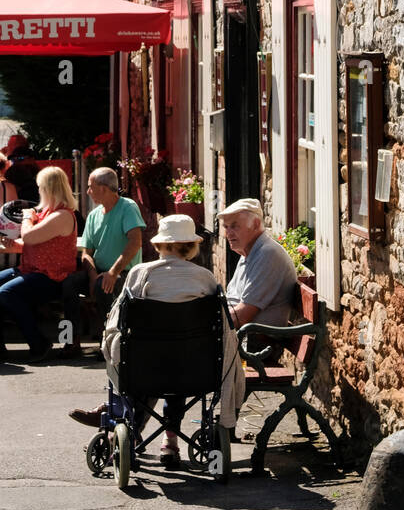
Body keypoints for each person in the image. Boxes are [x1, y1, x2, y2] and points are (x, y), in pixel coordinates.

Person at [68, 215, 246, 465]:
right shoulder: (205, 278)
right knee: (180, 356)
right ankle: (170, 440)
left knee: (142, 356)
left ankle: (122, 424)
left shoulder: (140, 275)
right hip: (194, 368)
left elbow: (118, 323)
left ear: (160, 245)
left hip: (146, 367)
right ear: (191, 246)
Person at [0, 166, 78, 363]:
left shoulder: (62, 215)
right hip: (32, 269)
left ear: (49, 189)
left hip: (52, 276)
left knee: (7, 293)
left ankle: (38, 342)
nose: (38, 191)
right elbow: (34, 243)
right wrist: (15, 244)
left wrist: (26, 218)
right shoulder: (48, 212)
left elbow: (30, 236)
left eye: (41, 187)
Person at [72, 168, 146, 341]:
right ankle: (71, 339)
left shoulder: (128, 207)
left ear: (103, 188)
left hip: (124, 273)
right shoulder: (93, 215)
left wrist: (113, 272)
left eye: (91, 187)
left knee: (102, 286)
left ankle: (111, 339)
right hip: (98, 272)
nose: (88, 191)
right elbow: (86, 252)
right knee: (69, 284)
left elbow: (135, 242)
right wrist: (92, 275)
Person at [220, 198, 297, 358]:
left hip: (257, 347)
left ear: (255, 224)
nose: (228, 233)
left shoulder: (267, 254)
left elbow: (242, 315)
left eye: (234, 226)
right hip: (245, 341)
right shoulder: (248, 253)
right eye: (226, 227)